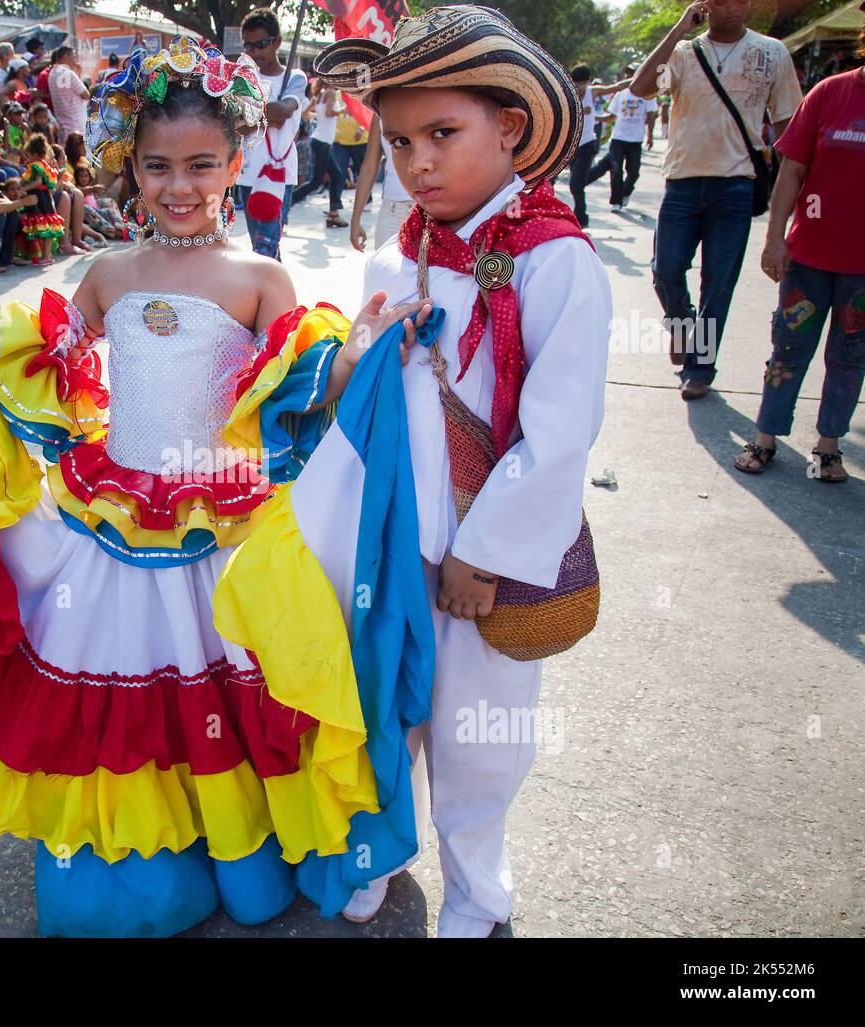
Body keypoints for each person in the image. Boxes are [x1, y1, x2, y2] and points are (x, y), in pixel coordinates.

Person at [0, 35, 388, 939]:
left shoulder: (261, 278)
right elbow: (37, 354)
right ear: (130, 169)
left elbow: (306, 382)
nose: (180, 186)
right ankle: (137, 875)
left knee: (221, 695)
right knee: (124, 690)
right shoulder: (110, 271)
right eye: (157, 166)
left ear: (235, 164)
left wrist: (358, 354)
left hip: (218, 518)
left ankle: (239, 857)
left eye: (202, 164)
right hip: (112, 513)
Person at [308, 4, 611, 933]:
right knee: (382, 702)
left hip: (479, 563)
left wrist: (485, 554)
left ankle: (479, 890)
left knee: (480, 736)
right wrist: (354, 358)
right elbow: (365, 391)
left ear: (511, 128)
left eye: (443, 133)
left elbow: (559, 434)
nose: (418, 163)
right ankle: (376, 848)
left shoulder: (557, 263)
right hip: (396, 538)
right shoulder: (404, 253)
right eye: (399, 142)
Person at [629, 0, 802, 401]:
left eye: (742, 0)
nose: (734, 7)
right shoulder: (685, 52)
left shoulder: (772, 52)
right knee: (666, 271)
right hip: (682, 181)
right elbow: (640, 88)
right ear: (705, 4)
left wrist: (791, 187)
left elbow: (786, 126)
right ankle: (684, 328)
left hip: (736, 185)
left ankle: (699, 367)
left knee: (718, 283)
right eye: (723, 0)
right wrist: (677, 30)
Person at [733, 45, 865, 484]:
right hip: (809, 256)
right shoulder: (831, 93)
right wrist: (774, 240)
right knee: (788, 349)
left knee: (850, 357)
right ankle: (766, 436)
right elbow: (790, 172)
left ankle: (828, 446)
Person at [235, 7, 308, 260]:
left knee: (266, 245)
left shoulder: (295, 77)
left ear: (277, 41)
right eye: (249, 46)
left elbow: (285, 110)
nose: (255, 52)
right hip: (247, 173)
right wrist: (267, 117)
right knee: (259, 249)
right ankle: (272, 297)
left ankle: (271, 297)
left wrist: (257, 115)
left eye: (261, 44)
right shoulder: (243, 80)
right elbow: (238, 126)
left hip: (279, 173)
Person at [586, 67, 656, 211]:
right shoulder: (621, 94)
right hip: (618, 138)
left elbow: (651, 115)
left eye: (632, 73)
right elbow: (611, 117)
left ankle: (626, 192)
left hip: (636, 140)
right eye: (627, 73)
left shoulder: (647, 95)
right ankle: (616, 201)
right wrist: (591, 117)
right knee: (616, 169)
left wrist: (650, 135)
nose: (628, 75)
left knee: (634, 172)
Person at [567, 64, 629, 228]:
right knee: (579, 182)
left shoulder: (592, 92)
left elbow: (616, 87)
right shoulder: (567, 92)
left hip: (587, 143)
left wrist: (640, 77)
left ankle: (581, 219)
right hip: (572, 146)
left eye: (581, 84)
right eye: (575, 83)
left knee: (575, 185)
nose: (578, 87)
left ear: (587, 82)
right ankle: (606, 163)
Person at [348, 111, 414, 251]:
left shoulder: (433, 101)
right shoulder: (380, 112)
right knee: (384, 271)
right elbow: (369, 168)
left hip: (432, 211)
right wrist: (355, 219)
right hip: (391, 213)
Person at [291, 79, 345, 228]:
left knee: (336, 176)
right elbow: (329, 112)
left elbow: (305, 114)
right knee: (317, 180)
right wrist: (342, 111)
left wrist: (318, 116)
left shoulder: (318, 96)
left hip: (320, 141)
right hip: (323, 142)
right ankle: (288, 202)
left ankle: (334, 214)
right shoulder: (330, 93)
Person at [16, 132, 62, 265]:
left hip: (40, 198)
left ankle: (46, 256)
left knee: (44, 226)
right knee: (45, 227)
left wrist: (22, 189)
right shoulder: (43, 164)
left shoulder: (37, 165)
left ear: (35, 153)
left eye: (29, 154)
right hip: (45, 198)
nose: (27, 157)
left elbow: (37, 182)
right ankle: (45, 255)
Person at [47, 45, 89, 140]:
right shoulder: (69, 74)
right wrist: (78, 73)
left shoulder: (52, 74)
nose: (75, 60)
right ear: (66, 57)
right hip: (76, 126)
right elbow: (86, 95)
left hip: (63, 125)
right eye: (73, 57)